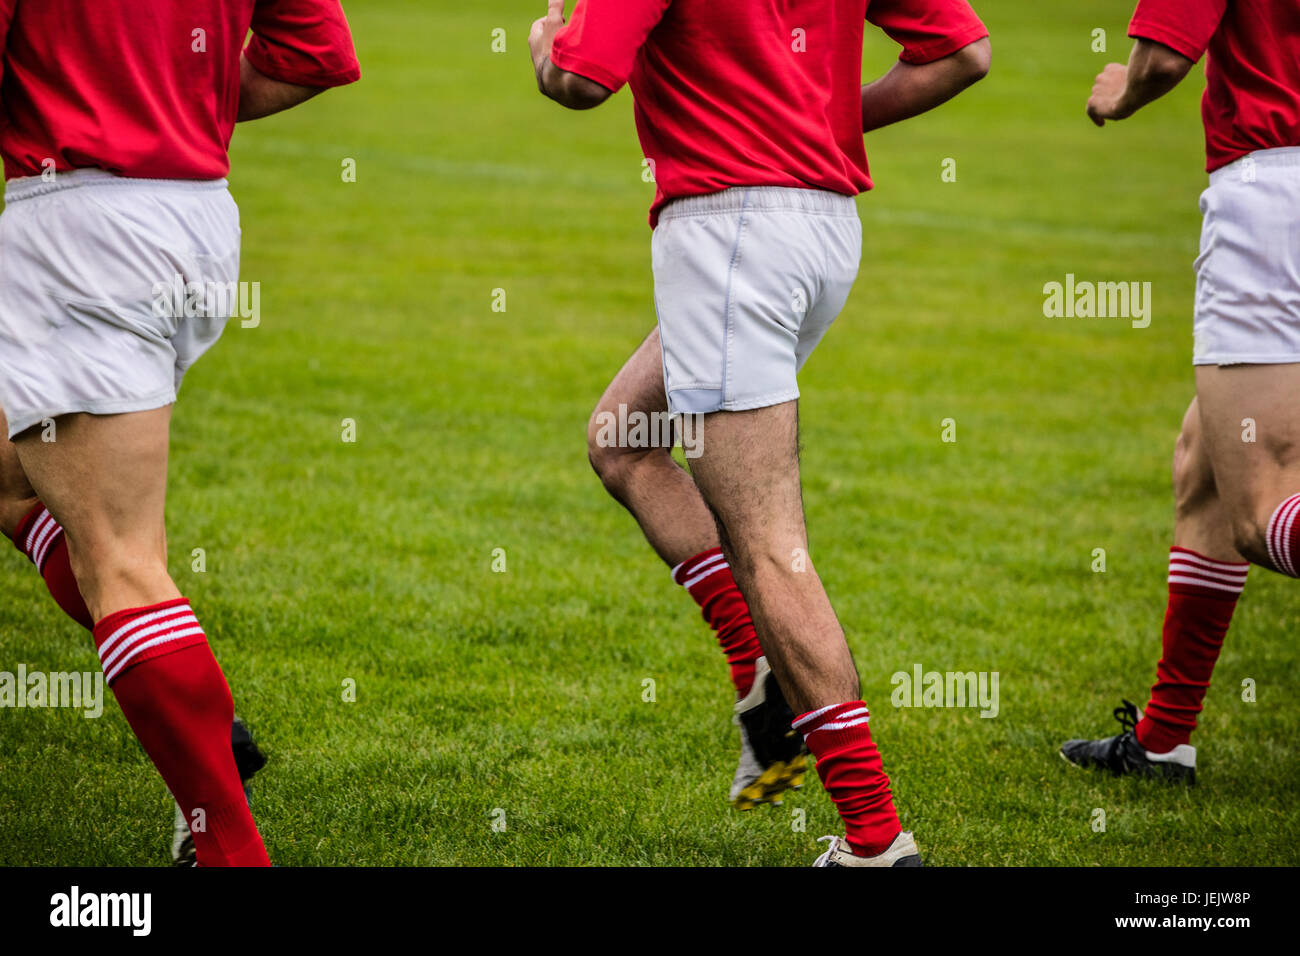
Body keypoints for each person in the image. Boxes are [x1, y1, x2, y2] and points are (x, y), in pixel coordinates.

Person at [529, 0, 990, 865]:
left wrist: (543, 50)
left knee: (770, 550)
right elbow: (964, 52)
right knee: (622, 437)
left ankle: (876, 841)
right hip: (820, 226)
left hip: (731, 233)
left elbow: (581, 78)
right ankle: (761, 670)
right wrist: (815, 117)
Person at [0, 0, 361, 865]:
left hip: (82, 227)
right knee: (15, 482)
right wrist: (176, 104)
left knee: (120, 559)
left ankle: (230, 844)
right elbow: (316, 51)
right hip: (194, 218)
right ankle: (203, 729)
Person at [1062, 0, 1300, 783]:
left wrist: (1117, 92)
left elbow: (1164, 54)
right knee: (1203, 461)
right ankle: (1165, 739)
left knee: (1258, 511)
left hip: (1274, 191)